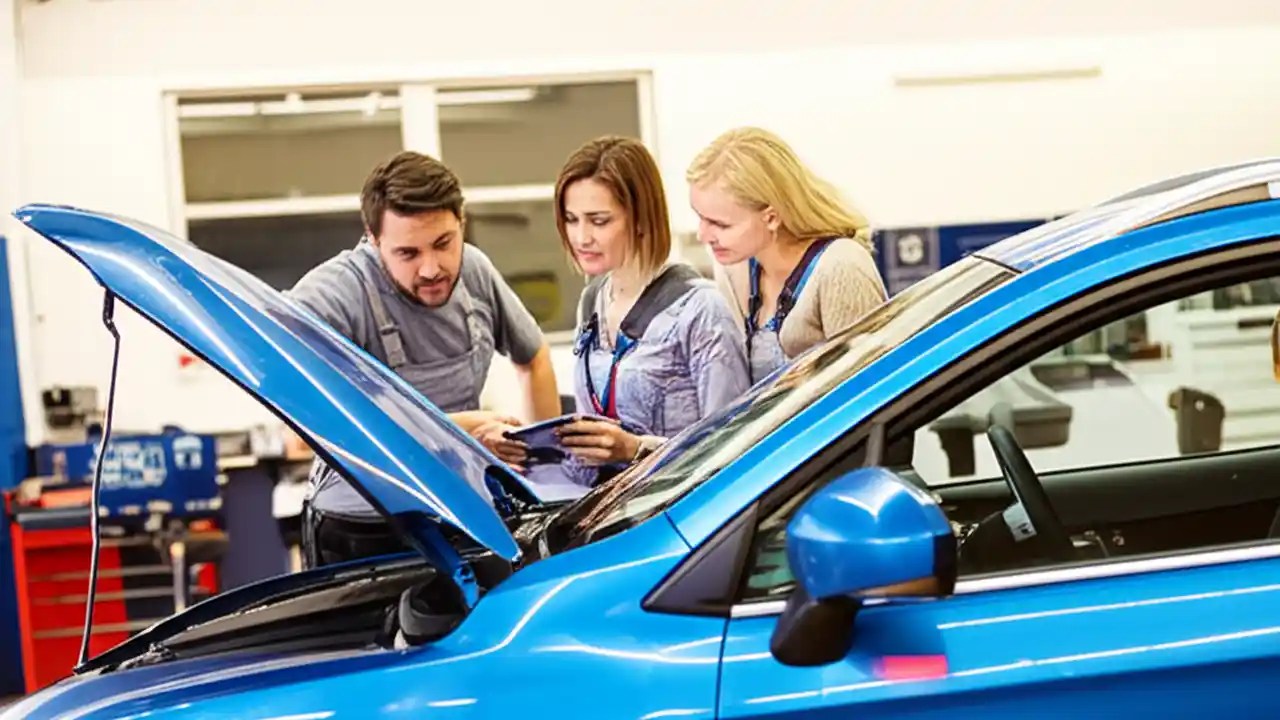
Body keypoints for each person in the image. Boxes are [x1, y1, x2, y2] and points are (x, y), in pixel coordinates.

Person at [288, 150, 561, 567]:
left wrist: (544, 470)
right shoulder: (336, 293)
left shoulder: (475, 272)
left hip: (462, 513)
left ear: (461, 223)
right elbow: (303, 425)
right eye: (408, 254)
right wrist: (459, 431)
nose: (432, 268)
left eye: (443, 243)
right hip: (362, 531)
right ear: (374, 240)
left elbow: (534, 358)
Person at [550, 136, 750, 487]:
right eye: (571, 219)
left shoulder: (700, 309)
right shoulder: (592, 300)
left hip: (680, 516)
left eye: (598, 221)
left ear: (640, 218)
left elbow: (731, 446)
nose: (581, 237)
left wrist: (636, 449)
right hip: (605, 511)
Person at [686, 126, 888, 384]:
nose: (703, 236)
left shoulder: (841, 268)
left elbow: (868, 390)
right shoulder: (734, 267)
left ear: (771, 218)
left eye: (720, 224)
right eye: (700, 217)